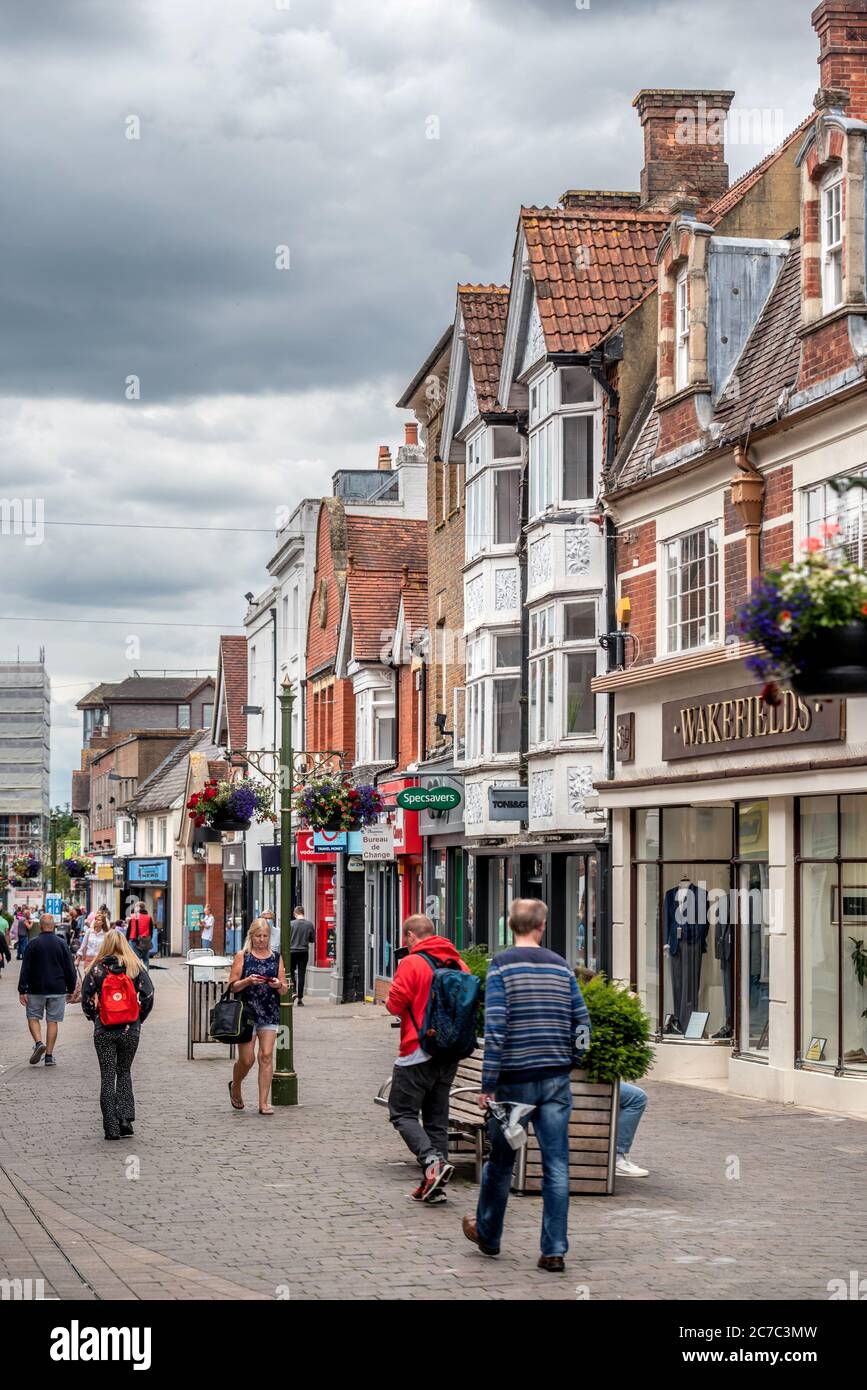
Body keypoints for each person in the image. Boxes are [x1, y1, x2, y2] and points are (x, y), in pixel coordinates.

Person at [462, 898, 591, 1274]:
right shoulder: (562, 967)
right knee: (556, 1165)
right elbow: (582, 1024)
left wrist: (488, 1083)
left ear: (512, 926)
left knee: (501, 1162)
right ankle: (553, 1250)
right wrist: (573, 1061)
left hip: (514, 1083)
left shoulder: (502, 966)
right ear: (542, 925)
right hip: (555, 1081)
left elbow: (496, 1029)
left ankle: (489, 1233)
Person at [385, 913, 471, 1205]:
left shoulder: (411, 963)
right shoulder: (458, 962)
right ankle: (435, 1183)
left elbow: (395, 1004)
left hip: (417, 1050)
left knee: (402, 1112)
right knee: (436, 1119)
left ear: (410, 937)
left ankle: (431, 1161)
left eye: (404, 939)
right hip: (449, 1052)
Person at [576, 965, 649, 1177]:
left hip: (568, 1080)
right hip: (582, 1082)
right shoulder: (585, 1013)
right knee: (637, 1098)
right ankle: (617, 1156)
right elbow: (590, 1050)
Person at [80, 930, 154, 1140]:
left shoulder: (96, 969)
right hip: (130, 1030)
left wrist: (93, 1017)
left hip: (104, 1029)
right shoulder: (134, 966)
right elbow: (148, 995)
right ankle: (125, 1119)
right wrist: (138, 1018)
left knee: (107, 1076)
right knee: (124, 1071)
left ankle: (111, 1128)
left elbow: (86, 999)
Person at [226, 917, 289, 1115]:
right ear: (251, 936)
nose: (261, 940)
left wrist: (278, 985)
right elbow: (232, 985)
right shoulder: (242, 956)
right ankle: (236, 1085)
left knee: (267, 1056)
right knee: (247, 1059)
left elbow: (284, 989)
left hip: (269, 1011)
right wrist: (248, 981)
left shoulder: (276, 957)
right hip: (247, 1013)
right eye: (258, 936)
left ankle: (263, 1103)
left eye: (265, 936)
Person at [17, 913, 77, 1066]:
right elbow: (70, 968)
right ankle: (49, 1056)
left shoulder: (33, 944)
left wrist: (22, 989)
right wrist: (71, 989)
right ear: (54, 926)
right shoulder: (62, 943)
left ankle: (38, 1042)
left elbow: (26, 968)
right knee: (53, 1021)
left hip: (36, 988)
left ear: (41, 926)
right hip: (57, 988)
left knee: (33, 1017)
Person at [289, 906, 315, 1005]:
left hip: (292, 952)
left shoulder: (291, 924)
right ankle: (300, 998)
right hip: (304, 952)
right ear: (303, 913)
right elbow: (312, 940)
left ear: (295, 913)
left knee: (291, 972)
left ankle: (293, 991)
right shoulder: (309, 924)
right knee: (301, 974)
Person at [76, 909, 109, 974]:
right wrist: (78, 959)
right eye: (95, 919)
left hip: (99, 961)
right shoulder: (89, 931)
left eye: (98, 920)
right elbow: (83, 946)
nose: (96, 921)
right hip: (88, 959)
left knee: (97, 981)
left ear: (103, 923)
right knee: (87, 980)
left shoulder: (106, 934)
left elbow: (107, 949)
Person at [127, 902, 154, 966]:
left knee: (136, 959)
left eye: (136, 907)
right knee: (146, 959)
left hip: (134, 940)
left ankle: (138, 974)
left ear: (138, 908)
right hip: (145, 940)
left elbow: (129, 930)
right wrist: (149, 939)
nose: (134, 908)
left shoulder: (133, 916)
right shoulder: (149, 917)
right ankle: (146, 974)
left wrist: (127, 940)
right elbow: (151, 930)